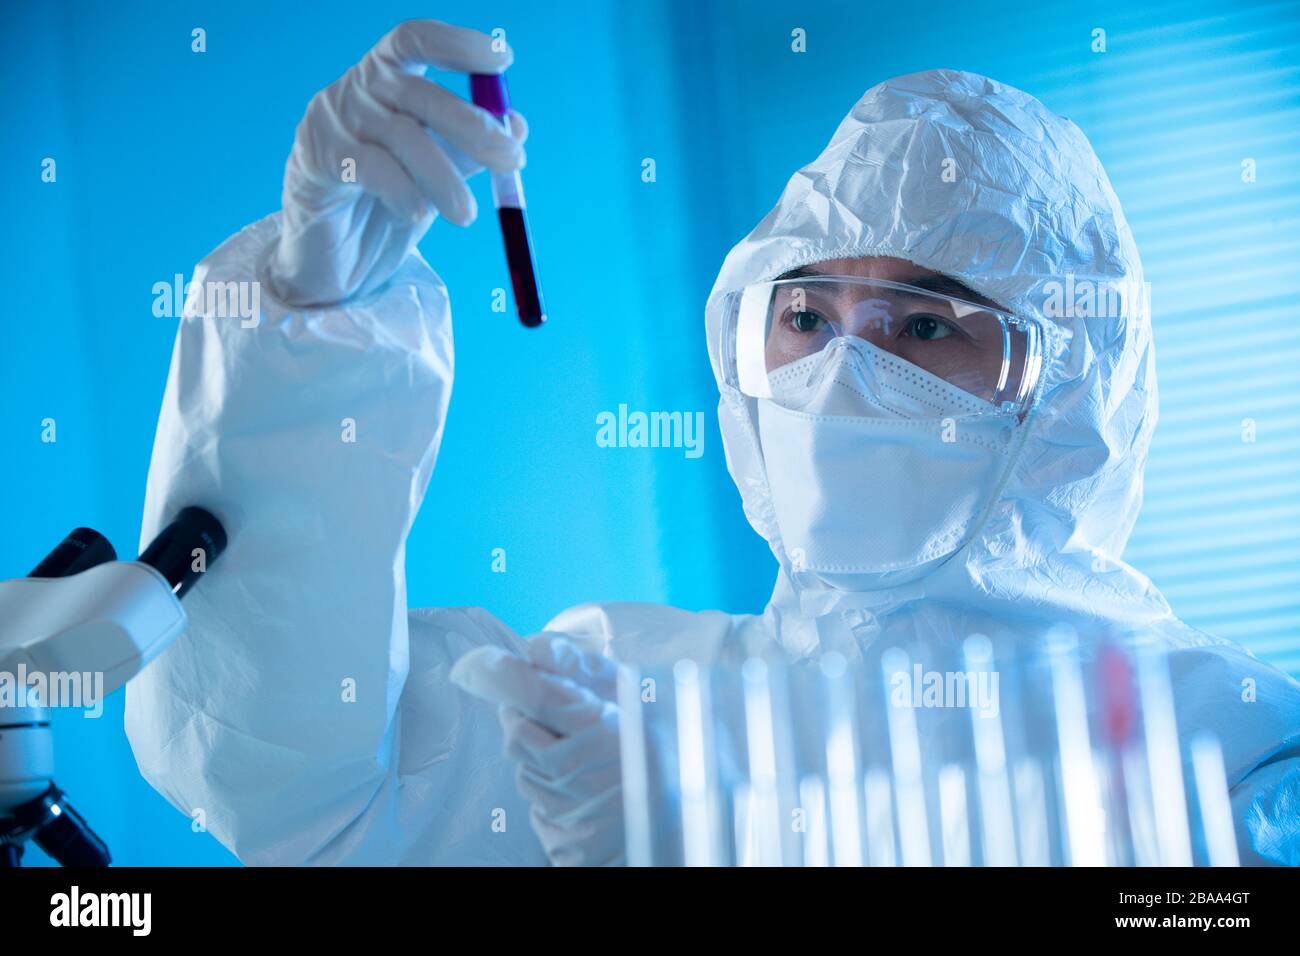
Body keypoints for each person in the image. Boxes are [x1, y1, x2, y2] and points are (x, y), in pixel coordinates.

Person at [126, 19, 1300, 866]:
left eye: (925, 323)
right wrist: (313, 317)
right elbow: (298, 793)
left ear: (1068, 391)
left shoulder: (1240, 744)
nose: (841, 373)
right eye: (804, 316)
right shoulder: (621, 703)